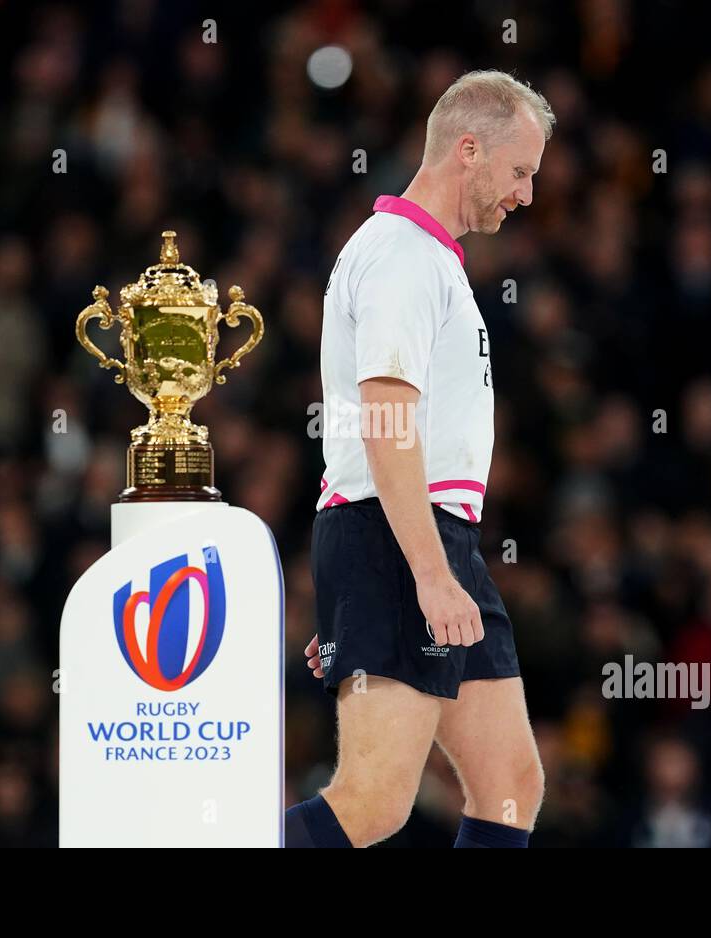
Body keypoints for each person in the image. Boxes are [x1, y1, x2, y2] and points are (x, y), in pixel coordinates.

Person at [285, 69, 555, 848]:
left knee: (509, 785)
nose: (526, 195)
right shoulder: (402, 255)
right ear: (469, 150)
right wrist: (423, 575)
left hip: (423, 539)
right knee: (372, 803)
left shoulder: (428, 259)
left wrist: (384, 586)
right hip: (404, 542)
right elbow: (385, 425)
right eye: (519, 172)